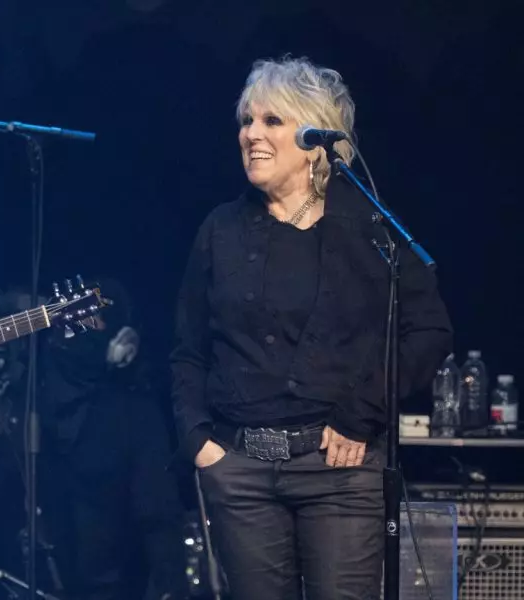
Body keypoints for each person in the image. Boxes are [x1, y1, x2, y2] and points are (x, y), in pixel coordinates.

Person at [169, 56, 453, 600]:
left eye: (272, 121)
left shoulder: (369, 227)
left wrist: (361, 413)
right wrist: (198, 441)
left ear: (316, 139)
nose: (251, 134)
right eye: (246, 121)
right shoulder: (220, 229)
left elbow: (428, 331)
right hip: (240, 469)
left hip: (339, 474)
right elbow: (188, 349)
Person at [39, 278, 189, 600]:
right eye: (71, 323)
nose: (78, 333)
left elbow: (159, 515)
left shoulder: (134, 413)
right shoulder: (39, 408)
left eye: (92, 319)